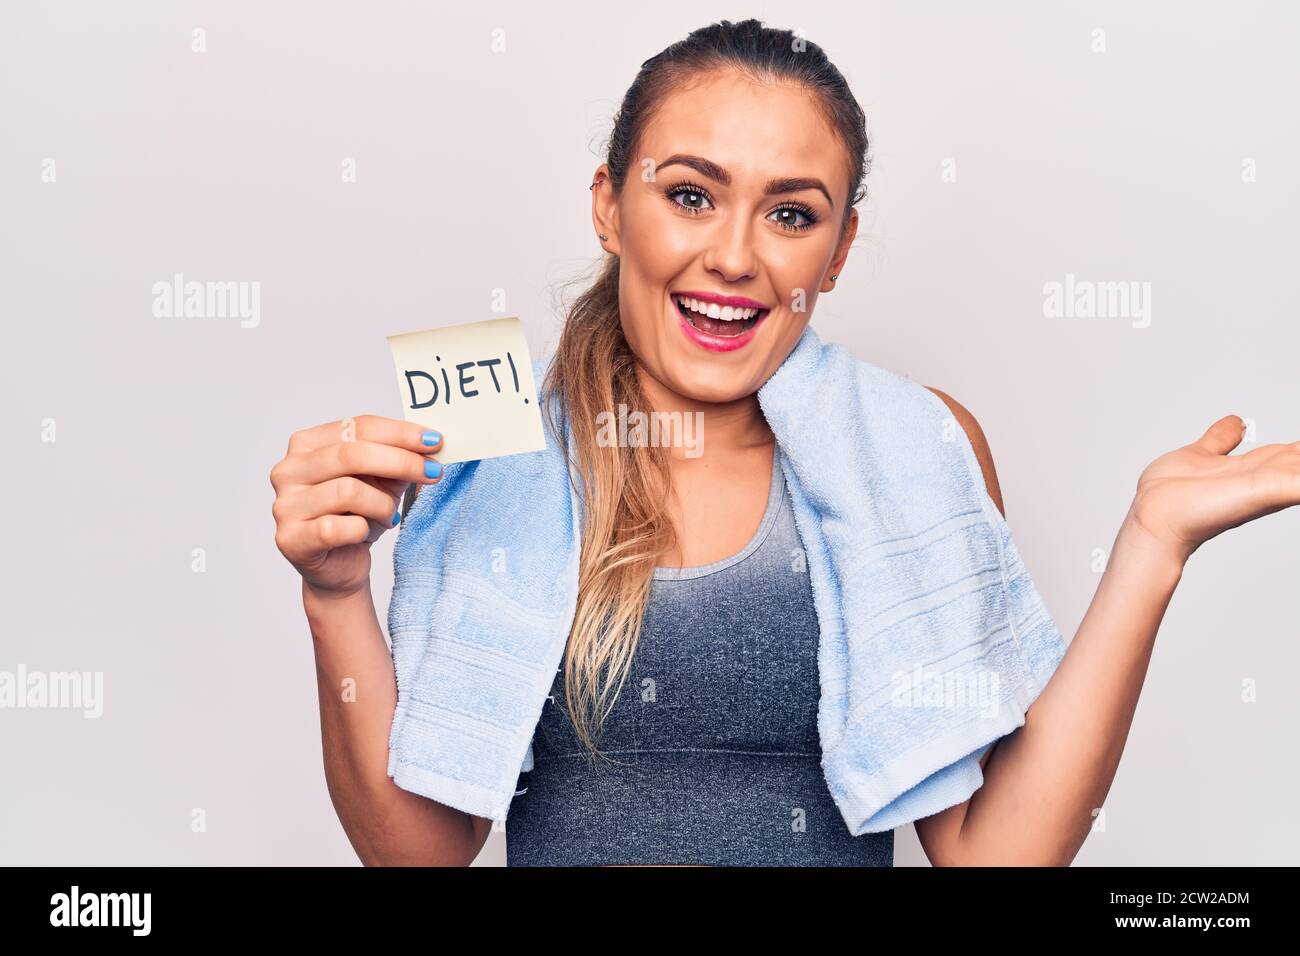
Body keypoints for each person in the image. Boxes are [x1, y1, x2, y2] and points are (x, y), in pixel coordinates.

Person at [269, 19, 1300, 866]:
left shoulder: (916, 444)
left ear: (840, 246)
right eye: (689, 195)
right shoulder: (492, 456)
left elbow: (997, 859)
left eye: (790, 214)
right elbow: (416, 854)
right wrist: (334, 590)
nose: (732, 256)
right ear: (608, 206)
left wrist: (1150, 546)